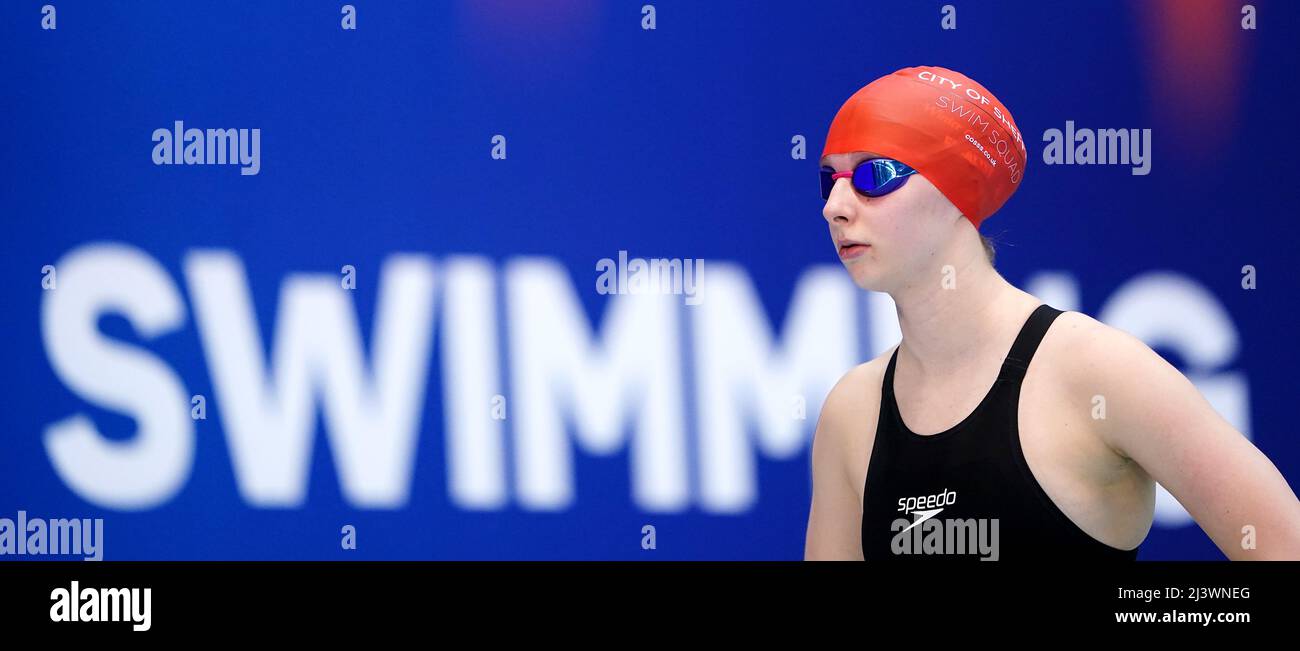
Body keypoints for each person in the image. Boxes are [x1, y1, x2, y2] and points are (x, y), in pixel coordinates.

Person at [803, 65, 1300, 560]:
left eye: (875, 175)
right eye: (831, 180)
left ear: (959, 190)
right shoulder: (854, 412)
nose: (836, 206)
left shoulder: (1097, 372)